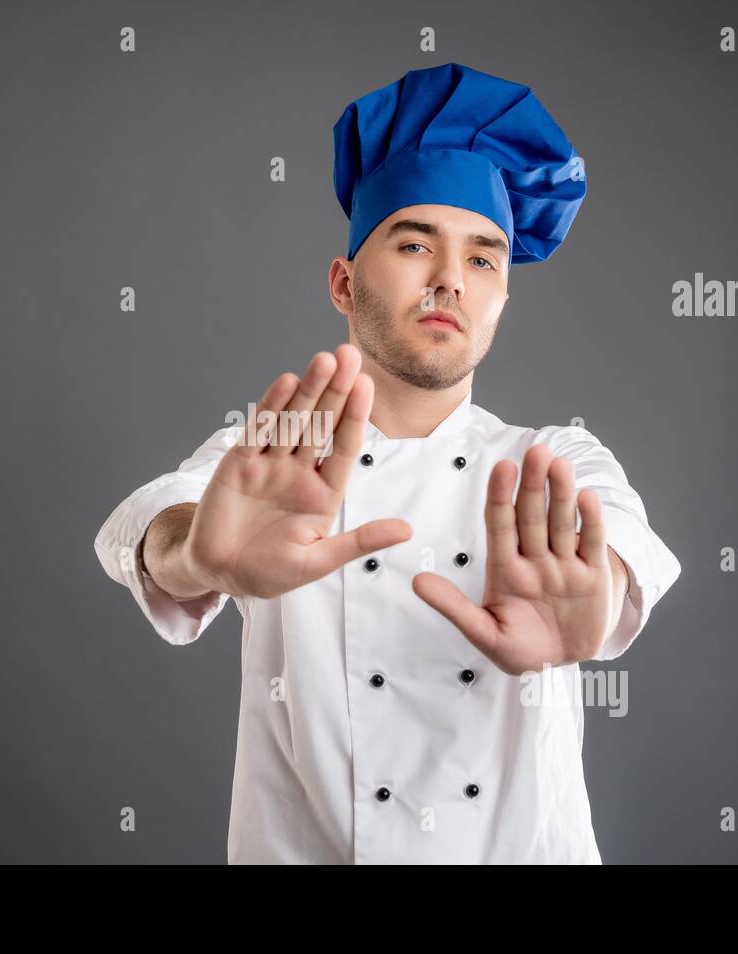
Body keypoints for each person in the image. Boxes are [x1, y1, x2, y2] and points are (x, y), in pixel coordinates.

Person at [94, 62, 681, 863]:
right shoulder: (279, 457)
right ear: (343, 282)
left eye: (483, 259)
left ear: (502, 299)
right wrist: (195, 552)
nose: (450, 281)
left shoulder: (550, 460)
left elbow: (616, 541)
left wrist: (601, 593)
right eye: (415, 244)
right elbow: (153, 526)